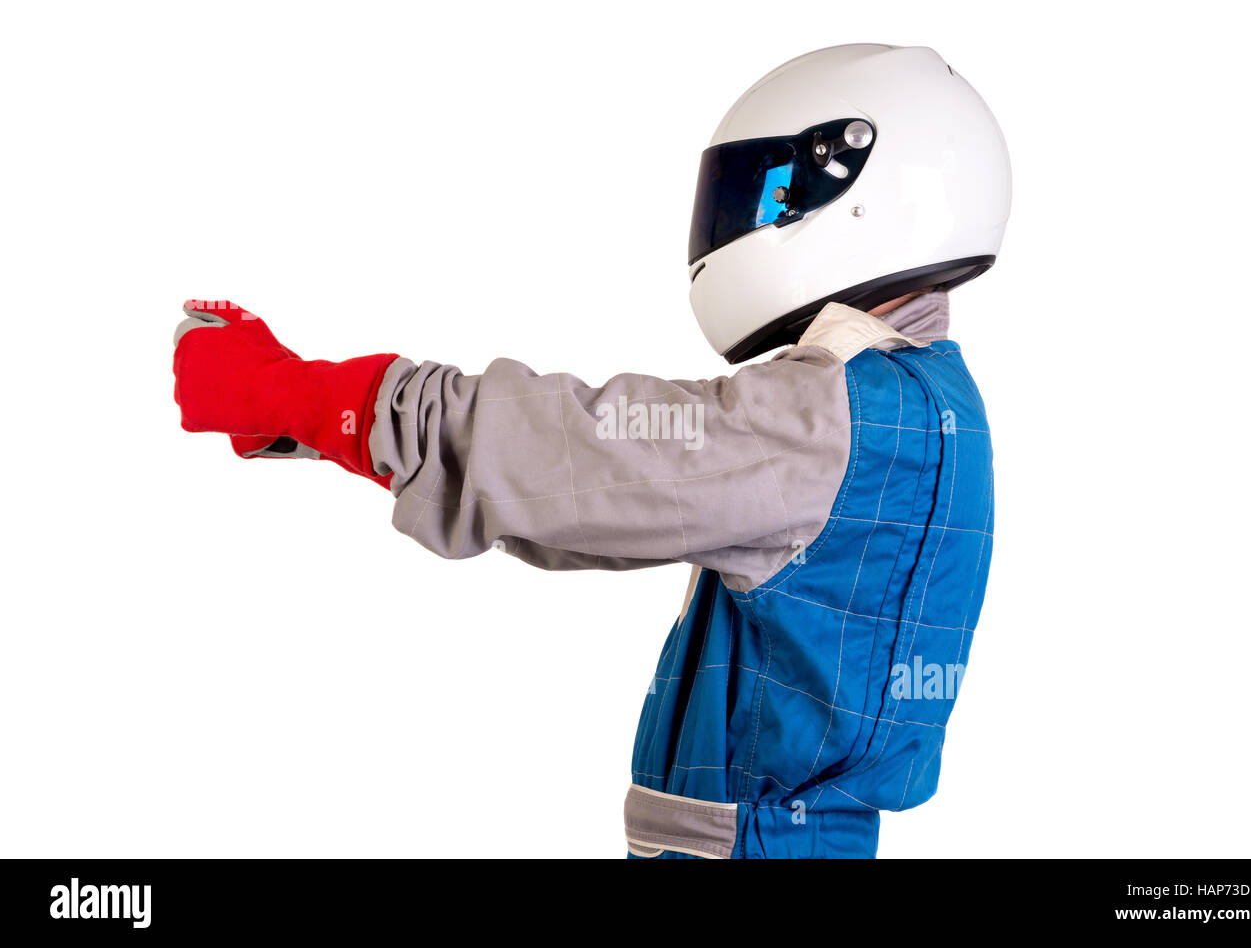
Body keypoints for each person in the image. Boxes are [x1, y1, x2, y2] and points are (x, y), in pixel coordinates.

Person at [173, 43, 1012, 858]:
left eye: (774, 191)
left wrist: (319, 397)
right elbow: (602, 507)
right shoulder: (925, 401)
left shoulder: (833, 417)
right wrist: (326, 429)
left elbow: (595, 452)